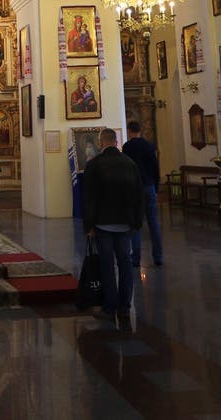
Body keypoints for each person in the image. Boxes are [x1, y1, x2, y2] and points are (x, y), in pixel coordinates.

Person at [82, 127, 143, 325]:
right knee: (126, 265)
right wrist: (136, 221)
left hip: (103, 224)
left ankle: (110, 307)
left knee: (107, 265)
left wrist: (89, 225)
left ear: (101, 143)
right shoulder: (130, 163)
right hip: (125, 224)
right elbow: (138, 195)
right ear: (116, 142)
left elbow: (89, 198)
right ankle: (125, 308)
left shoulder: (94, 165)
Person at [123, 120, 163, 267]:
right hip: (149, 186)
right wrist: (156, 187)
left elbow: (126, 168)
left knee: (135, 224)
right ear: (140, 130)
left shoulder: (127, 147)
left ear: (129, 131)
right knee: (153, 223)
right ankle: (158, 257)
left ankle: (136, 259)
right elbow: (155, 167)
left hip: (134, 188)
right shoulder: (148, 145)